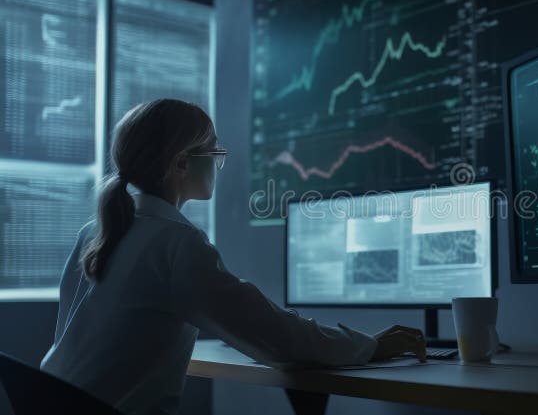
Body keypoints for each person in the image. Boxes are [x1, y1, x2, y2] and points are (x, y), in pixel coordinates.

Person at [40, 99, 426, 415]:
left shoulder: (93, 233)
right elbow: (278, 337)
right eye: (214, 151)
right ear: (180, 163)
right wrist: (371, 346)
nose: (219, 162)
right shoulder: (176, 244)